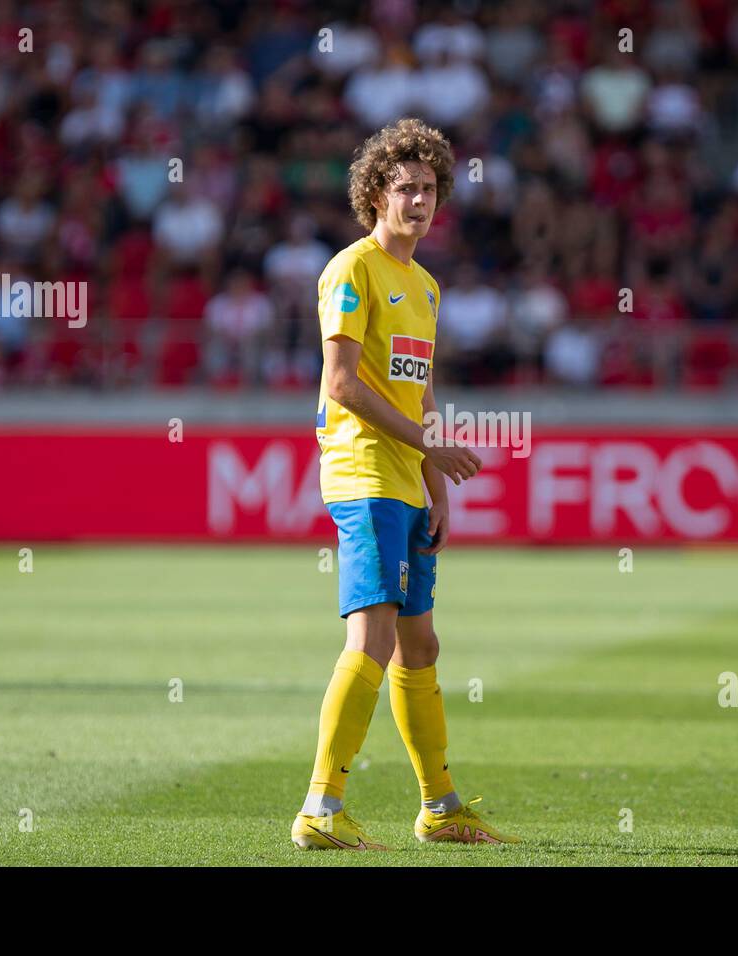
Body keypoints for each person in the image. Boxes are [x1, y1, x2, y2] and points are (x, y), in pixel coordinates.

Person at [291, 117, 520, 850]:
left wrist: (436, 486)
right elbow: (343, 384)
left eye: (428, 189)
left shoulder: (424, 286)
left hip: (407, 484)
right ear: (375, 194)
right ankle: (320, 810)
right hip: (362, 473)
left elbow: (419, 392)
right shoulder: (351, 269)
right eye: (404, 188)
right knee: (374, 639)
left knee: (421, 646)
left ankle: (439, 807)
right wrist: (429, 446)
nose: (418, 200)